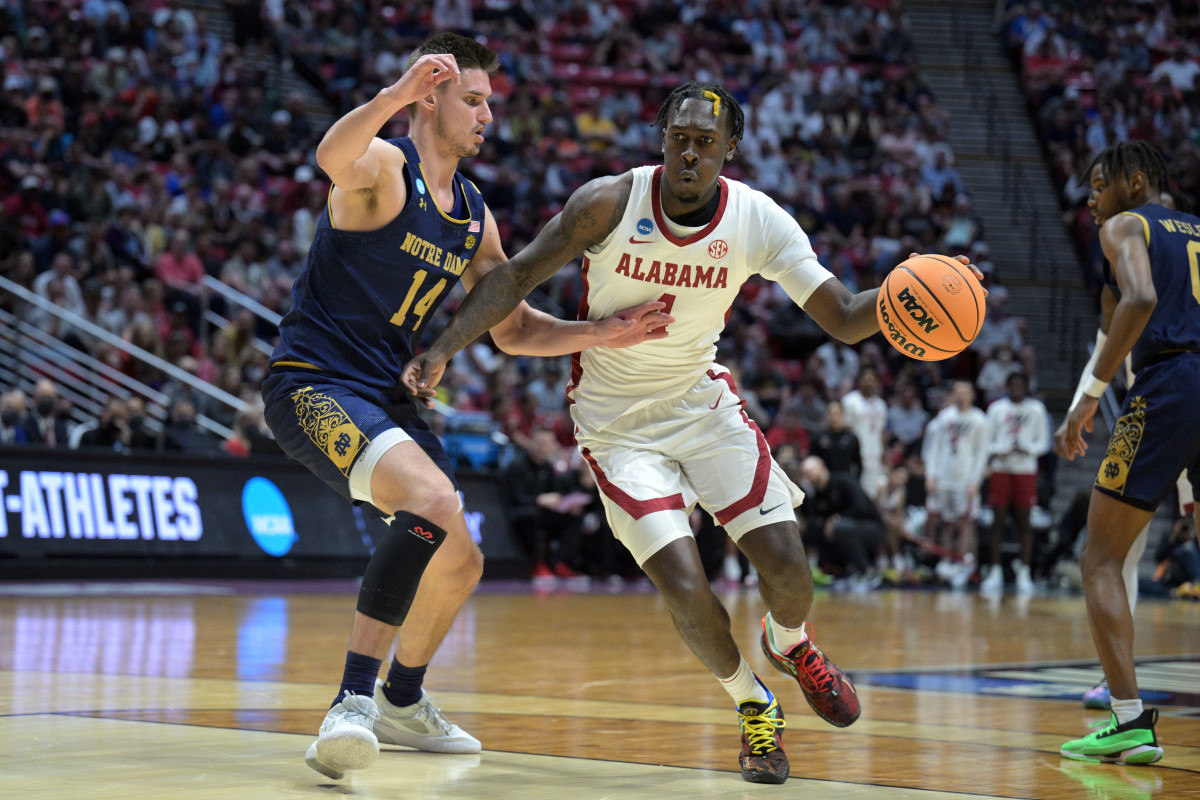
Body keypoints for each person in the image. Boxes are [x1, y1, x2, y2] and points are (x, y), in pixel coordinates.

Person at [403, 81, 983, 784]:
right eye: (679, 136)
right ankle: (753, 706)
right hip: (616, 425)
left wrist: (911, 288)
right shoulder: (607, 203)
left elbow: (841, 314)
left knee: (789, 573)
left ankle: (789, 642)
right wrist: (443, 348)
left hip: (701, 407)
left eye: (705, 141)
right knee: (682, 581)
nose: (689, 151)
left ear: (729, 150)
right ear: (662, 141)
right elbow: (516, 277)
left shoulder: (758, 220)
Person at [259, 34, 670, 781]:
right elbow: (329, 158)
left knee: (461, 562)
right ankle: (350, 702)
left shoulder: (476, 215)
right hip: (310, 383)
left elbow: (510, 327)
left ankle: (401, 701)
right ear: (432, 98)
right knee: (430, 497)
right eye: (473, 100)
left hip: (386, 395)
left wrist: (601, 334)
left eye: (490, 104)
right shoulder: (385, 167)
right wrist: (390, 95)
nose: (486, 116)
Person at [1056, 142, 1200, 765]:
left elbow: (1139, 299)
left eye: (1098, 185)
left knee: (1101, 558)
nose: (1091, 198)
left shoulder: (1127, 224)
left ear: (1134, 183)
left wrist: (1089, 396)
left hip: (1171, 385)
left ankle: (1128, 720)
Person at [980, 371, 1050, 596]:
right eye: (1013, 384)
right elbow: (986, 442)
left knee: (1024, 522)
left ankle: (1024, 573)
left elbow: (1044, 442)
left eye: (1021, 384)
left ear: (1026, 386)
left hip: (1025, 470)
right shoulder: (996, 409)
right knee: (997, 522)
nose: (1017, 388)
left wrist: (1027, 448)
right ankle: (994, 571)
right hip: (1000, 468)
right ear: (1007, 386)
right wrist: (1000, 450)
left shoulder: (1036, 409)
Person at [922, 380, 989, 589]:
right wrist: (931, 475)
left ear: (972, 394)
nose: (961, 395)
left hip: (965, 479)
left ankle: (965, 564)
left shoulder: (979, 420)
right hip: (943, 477)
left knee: (966, 523)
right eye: (958, 391)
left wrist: (975, 480)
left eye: (965, 391)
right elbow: (934, 448)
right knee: (945, 521)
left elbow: (982, 453)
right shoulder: (945, 417)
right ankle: (945, 562)